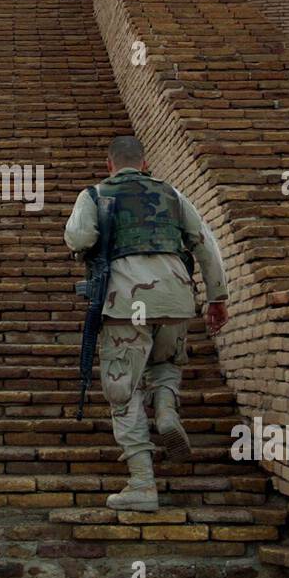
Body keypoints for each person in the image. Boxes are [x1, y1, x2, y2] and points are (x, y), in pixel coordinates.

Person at [64, 136, 228, 512]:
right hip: (175, 299)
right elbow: (206, 243)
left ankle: (141, 484)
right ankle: (167, 412)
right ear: (144, 162)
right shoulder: (172, 193)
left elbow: (80, 237)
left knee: (123, 389)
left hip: (125, 302)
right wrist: (217, 298)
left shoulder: (95, 194)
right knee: (166, 363)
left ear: (110, 164)